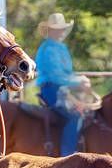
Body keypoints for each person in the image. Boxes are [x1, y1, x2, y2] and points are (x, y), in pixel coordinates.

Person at [34, 13, 90, 157]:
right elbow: (55, 76)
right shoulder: (48, 49)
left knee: (87, 111)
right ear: (51, 30)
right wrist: (78, 81)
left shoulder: (61, 48)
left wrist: (79, 79)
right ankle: (68, 155)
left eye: (62, 29)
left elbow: (66, 74)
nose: (62, 32)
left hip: (63, 89)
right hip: (51, 89)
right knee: (75, 115)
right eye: (58, 29)